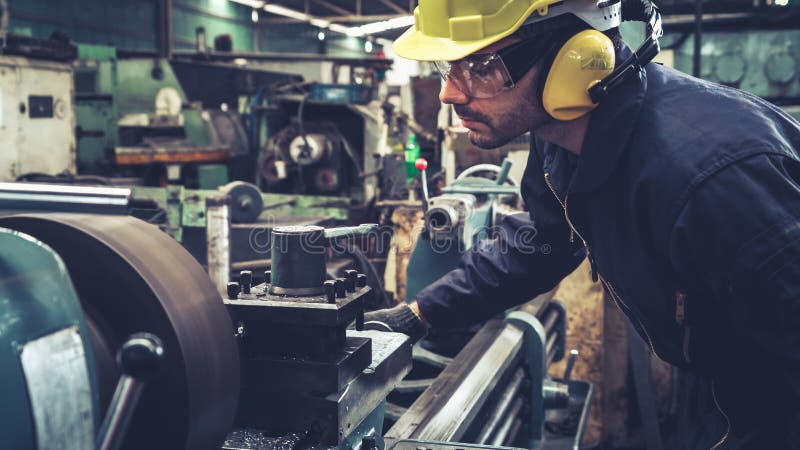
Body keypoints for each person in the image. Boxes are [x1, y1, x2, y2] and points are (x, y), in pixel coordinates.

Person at [363, 0, 800, 448]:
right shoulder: (560, 136)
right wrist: (418, 315)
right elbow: (543, 244)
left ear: (576, 60)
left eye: (481, 67)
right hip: (722, 369)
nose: (449, 94)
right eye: (447, 67)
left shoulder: (714, 181)